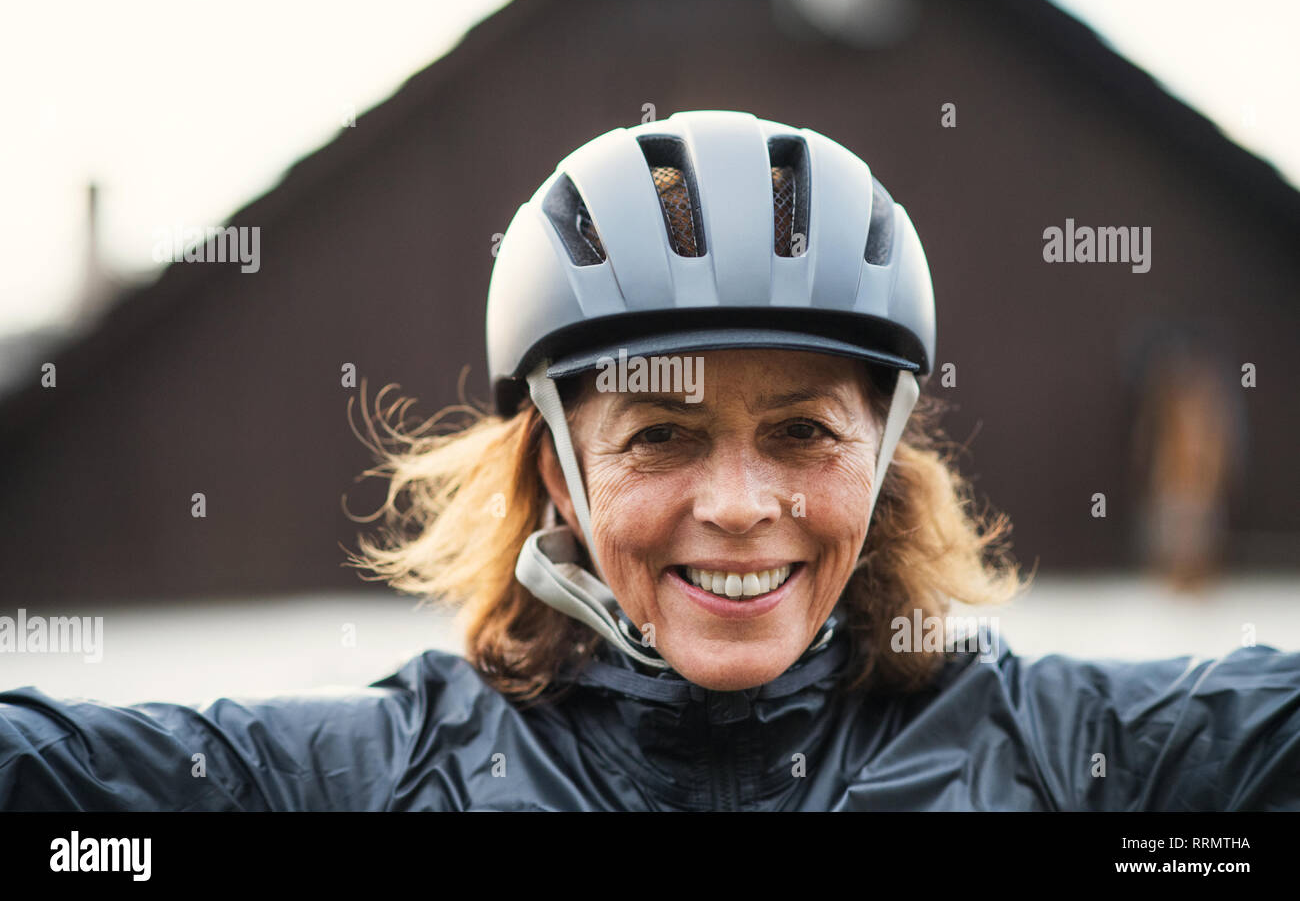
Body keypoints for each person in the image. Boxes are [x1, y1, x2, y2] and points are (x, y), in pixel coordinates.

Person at [2, 111, 1297, 810]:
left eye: (804, 432)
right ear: (560, 476)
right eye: (662, 438)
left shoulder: (1077, 756)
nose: (739, 506)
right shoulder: (384, 781)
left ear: (887, 456)